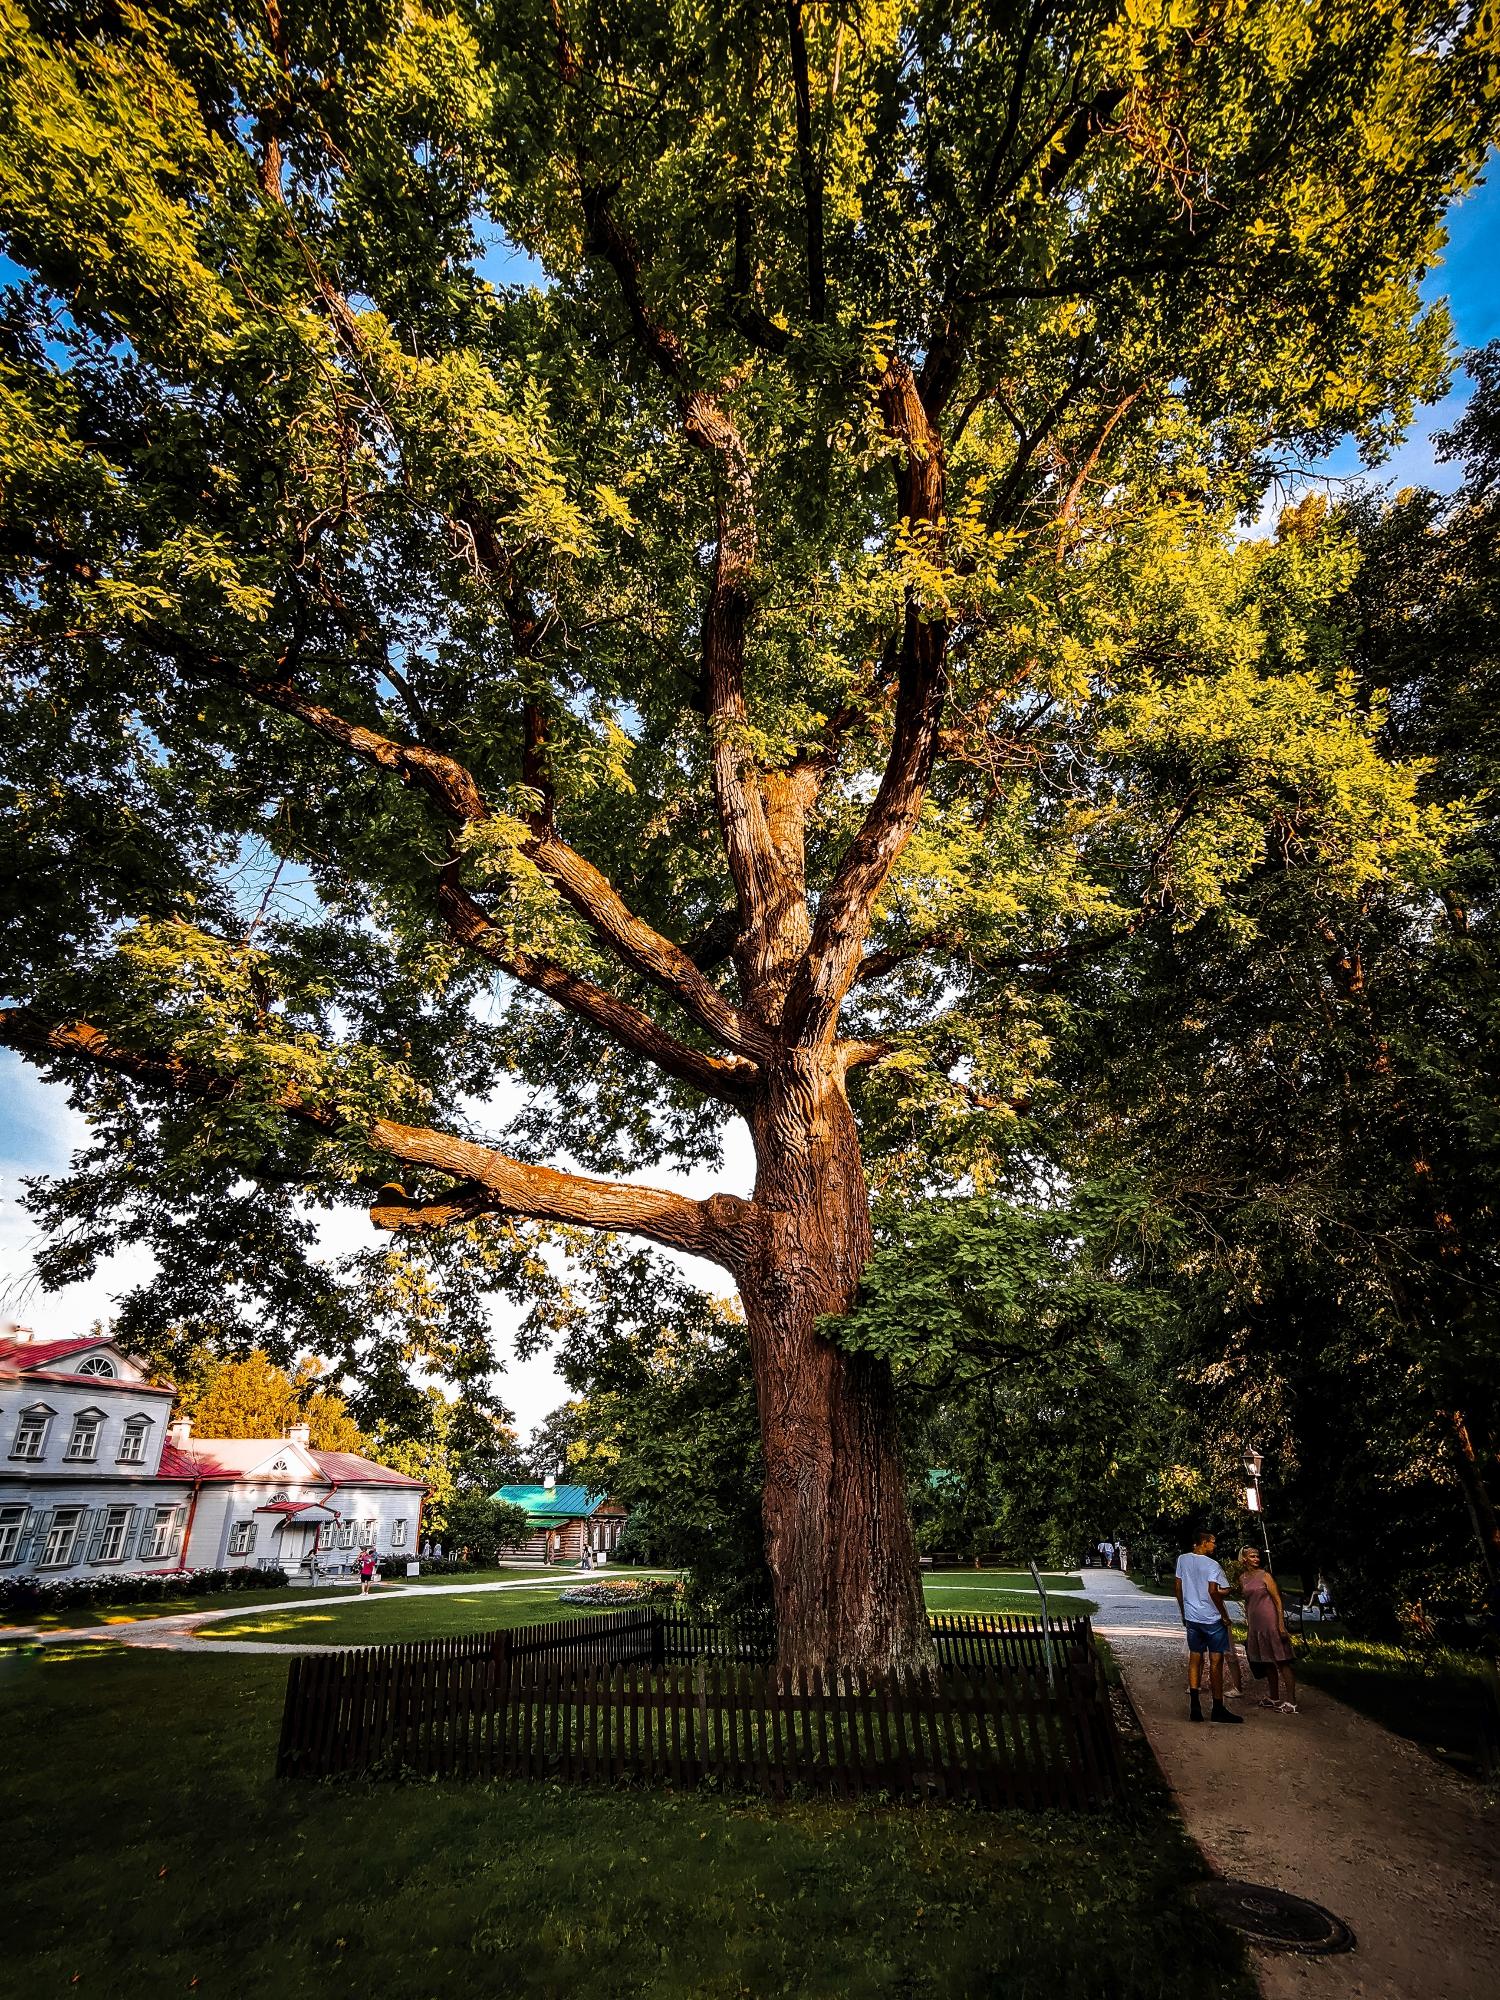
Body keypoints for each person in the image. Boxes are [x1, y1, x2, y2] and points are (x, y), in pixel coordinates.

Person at [1174, 1529, 1243, 1724]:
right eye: (1213, 1542)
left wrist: (1183, 1612)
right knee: (1216, 1661)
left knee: (1195, 1659)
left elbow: (1178, 1587)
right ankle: (1217, 1706)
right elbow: (1214, 1591)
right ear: (1203, 1542)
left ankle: (1195, 1707)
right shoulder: (1213, 1565)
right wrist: (1224, 1614)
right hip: (1212, 1619)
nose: (1215, 1545)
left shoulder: (1182, 1560)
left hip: (1193, 1618)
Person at [1238, 1546, 1298, 1712]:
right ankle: (1274, 1696)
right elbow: (1248, 1602)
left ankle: (1291, 1701)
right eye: (1252, 1556)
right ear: (1244, 1559)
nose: (1256, 1559)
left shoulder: (1265, 1576)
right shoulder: (1242, 1578)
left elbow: (1277, 1600)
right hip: (1256, 1624)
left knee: (1282, 1660)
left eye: (1257, 1556)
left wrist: (1280, 1624)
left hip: (1270, 1621)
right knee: (1266, 1661)